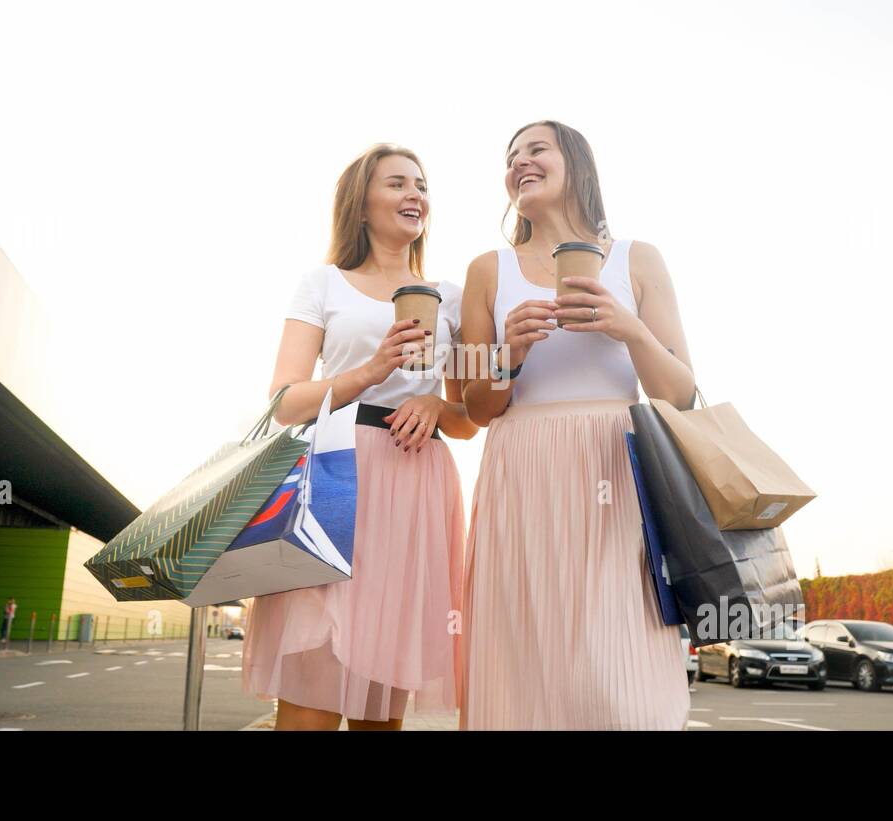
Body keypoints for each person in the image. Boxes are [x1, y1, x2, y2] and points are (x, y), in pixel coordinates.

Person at [459, 121, 696, 729]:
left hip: (617, 472)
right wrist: (508, 354)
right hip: (521, 470)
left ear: (576, 165)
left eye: (536, 149)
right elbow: (476, 408)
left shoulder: (638, 259)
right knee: (525, 661)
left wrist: (628, 327)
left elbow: (681, 392)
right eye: (511, 157)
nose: (520, 163)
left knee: (619, 675)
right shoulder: (488, 270)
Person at [242, 143, 478, 730]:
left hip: (414, 485)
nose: (415, 195)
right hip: (334, 483)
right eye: (398, 183)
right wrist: (370, 372)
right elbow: (284, 401)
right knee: (312, 687)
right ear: (362, 205)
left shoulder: (451, 297)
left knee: (381, 696)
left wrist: (435, 402)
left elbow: (471, 418)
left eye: (420, 185)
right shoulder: (324, 283)